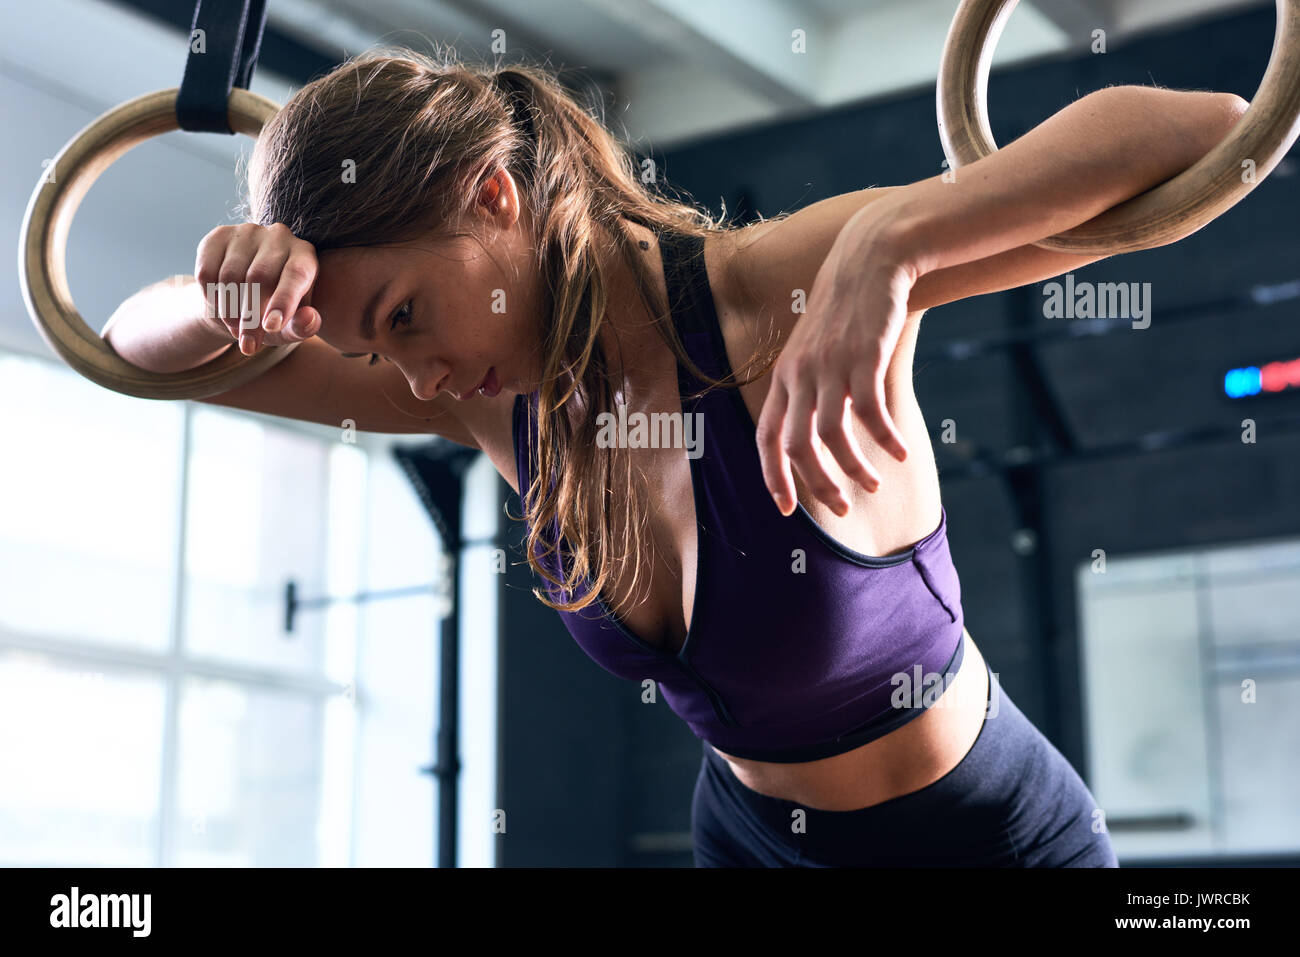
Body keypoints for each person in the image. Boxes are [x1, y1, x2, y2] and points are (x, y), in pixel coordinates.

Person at [104, 48, 1247, 866]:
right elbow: (129, 353)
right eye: (373, 351)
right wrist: (227, 298)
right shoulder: (497, 411)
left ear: (494, 197)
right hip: (745, 841)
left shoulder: (770, 292)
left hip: (985, 842)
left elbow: (1205, 134)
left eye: (403, 317)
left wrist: (891, 247)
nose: (413, 381)